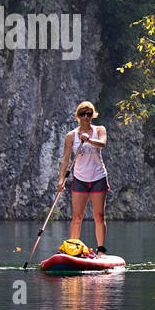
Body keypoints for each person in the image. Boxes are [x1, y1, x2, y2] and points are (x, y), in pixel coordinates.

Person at [57, 101, 110, 256]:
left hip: (98, 177)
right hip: (80, 178)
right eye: (83, 114)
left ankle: (101, 250)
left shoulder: (99, 130)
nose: (86, 117)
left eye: (89, 114)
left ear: (93, 115)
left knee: (99, 215)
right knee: (77, 217)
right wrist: (61, 179)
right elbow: (66, 159)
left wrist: (88, 140)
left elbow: (102, 144)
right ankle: (73, 249)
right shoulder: (71, 136)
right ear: (78, 116)